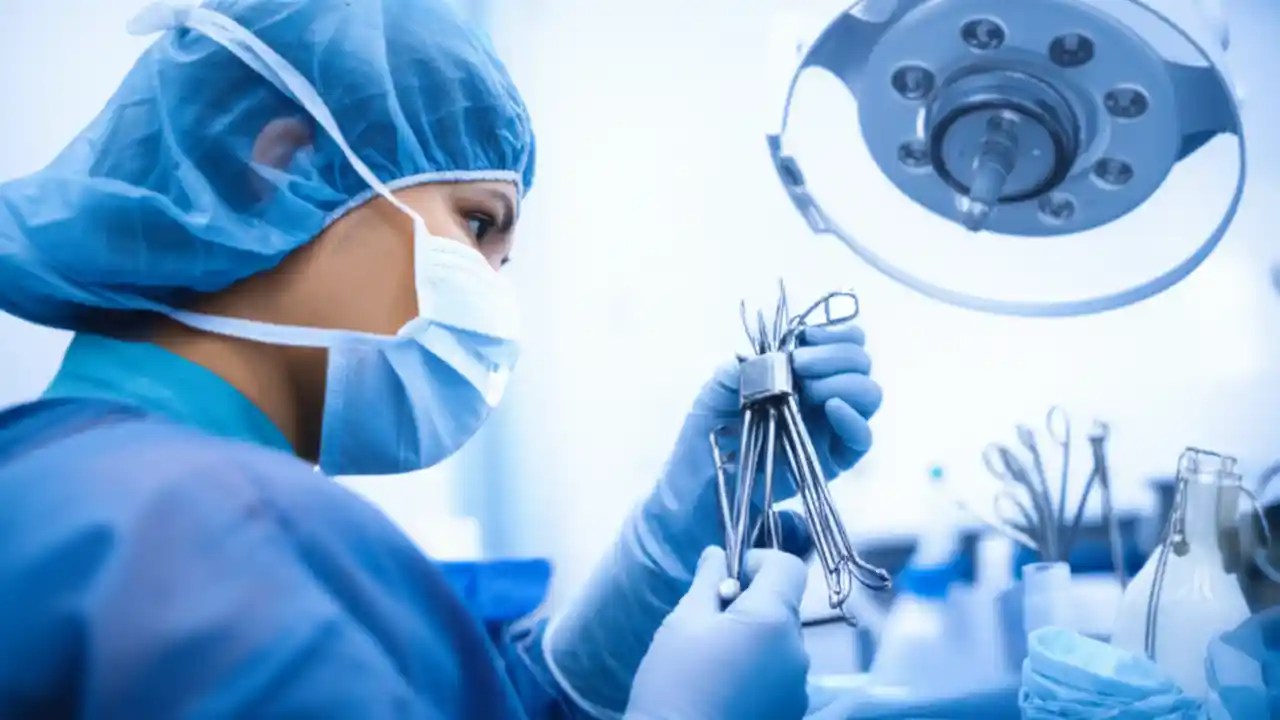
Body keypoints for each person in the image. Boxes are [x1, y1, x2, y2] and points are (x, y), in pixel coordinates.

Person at [0, 1, 884, 718]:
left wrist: (678, 528)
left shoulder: (62, 480)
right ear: (277, 168)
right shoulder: (224, 532)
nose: (494, 295)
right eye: (476, 224)